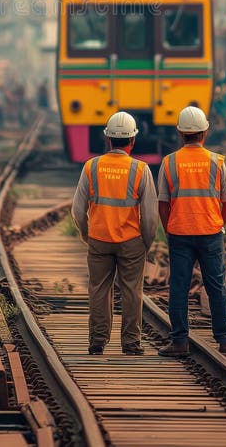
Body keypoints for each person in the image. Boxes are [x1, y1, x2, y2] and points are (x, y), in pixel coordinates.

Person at [71, 111, 159, 356]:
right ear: (133, 141)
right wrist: (146, 242)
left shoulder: (92, 166)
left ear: (108, 139)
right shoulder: (140, 170)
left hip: (99, 239)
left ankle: (97, 341)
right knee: (132, 291)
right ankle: (131, 343)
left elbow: (78, 210)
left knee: (99, 289)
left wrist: (87, 234)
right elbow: (151, 216)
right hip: (131, 241)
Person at [157, 105, 226, 357]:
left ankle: (180, 343)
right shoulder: (216, 161)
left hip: (180, 233)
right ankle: (225, 342)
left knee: (179, 287)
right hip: (211, 233)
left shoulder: (169, 162)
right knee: (216, 286)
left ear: (180, 133)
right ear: (205, 132)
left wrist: (170, 228)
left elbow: (163, 203)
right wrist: (218, 222)